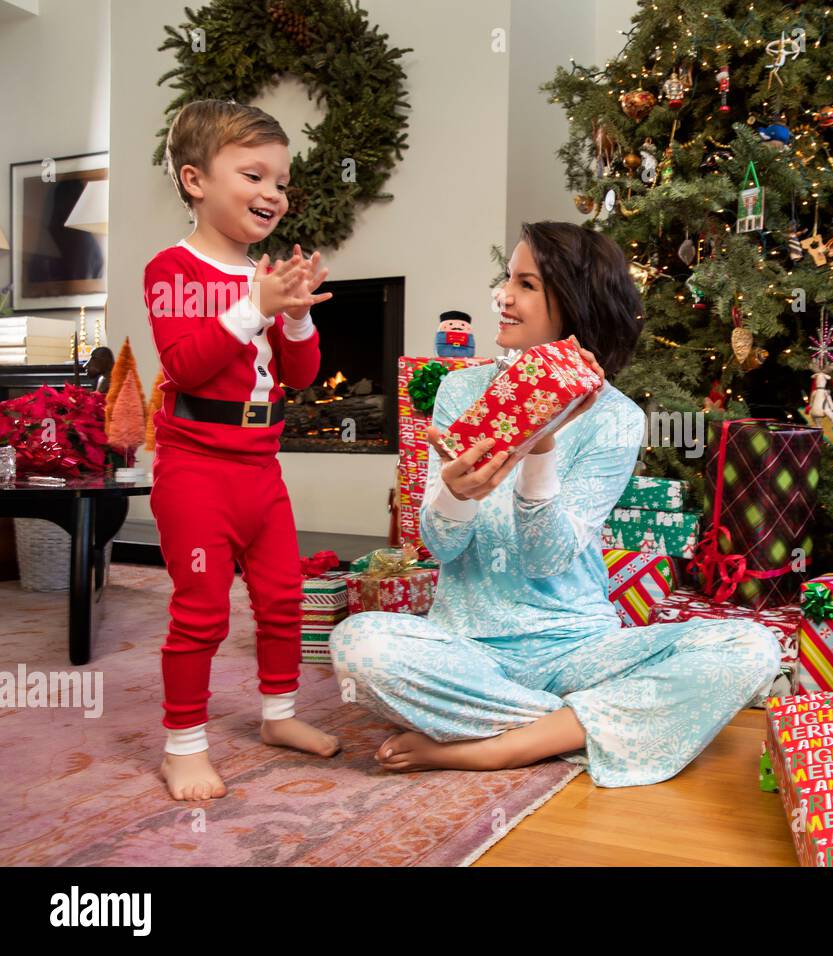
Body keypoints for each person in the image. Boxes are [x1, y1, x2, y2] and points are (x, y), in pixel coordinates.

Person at [330, 222, 781, 787]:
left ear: (573, 302)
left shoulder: (616, 417)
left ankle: (498, 747)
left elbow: (549, 560)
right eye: (505, 279)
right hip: (467, 648)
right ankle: (585, 726)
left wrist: (539, 451)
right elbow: (440, 545)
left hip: (578, 649)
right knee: (359, 646)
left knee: (751, 645)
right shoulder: (460, 391)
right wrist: (456, 496)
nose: (502, 295)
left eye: (525, 284)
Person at [144, 99, 336, 801]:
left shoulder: (266, 278)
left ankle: (279, 715)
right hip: (196, 469)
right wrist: (257, 304)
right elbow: (188, 363)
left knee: (284, 595)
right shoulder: (173, 269)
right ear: (195, 180)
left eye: (281, 182)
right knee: (202, 610)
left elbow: (304, 377)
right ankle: (183, 744)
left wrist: (297, 315)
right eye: (253, 175)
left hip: (262, 466)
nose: (273, 195)